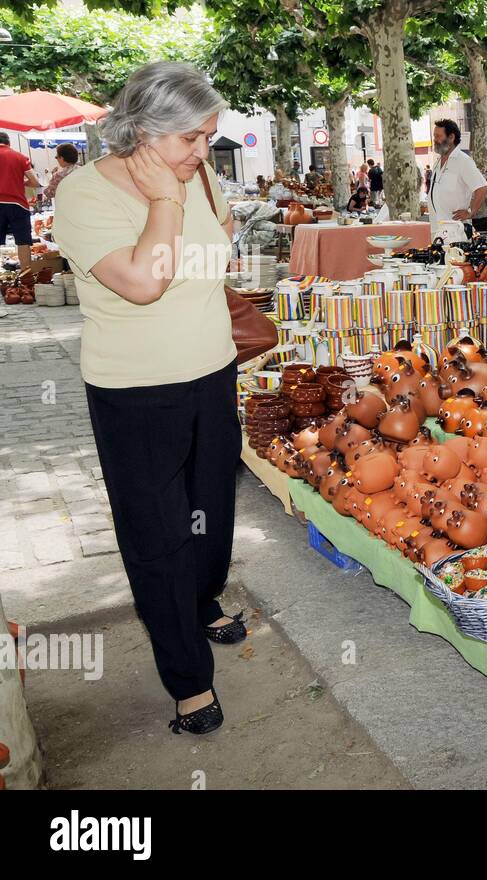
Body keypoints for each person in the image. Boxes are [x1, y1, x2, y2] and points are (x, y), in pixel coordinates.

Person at [52, 62, 245, 736]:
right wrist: (165, 202)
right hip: (136, 390)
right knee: (158, 535)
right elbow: (142, 283)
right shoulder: (83, 195)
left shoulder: (200, 173)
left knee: (211, 512)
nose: (202, 153)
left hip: (213, 371)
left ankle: (199, 600)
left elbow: (215, 252)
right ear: (140, 130)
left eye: (208, 138)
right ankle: (188, 681)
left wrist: (188, 189)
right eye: (189, 139)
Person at [428, 118, 487, 243]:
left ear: (451, 137)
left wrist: (471, 212)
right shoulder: (437, 162)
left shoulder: (463, 161)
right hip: (437, 229)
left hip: (456, 231)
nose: (435, 140)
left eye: (438, 136)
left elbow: (482, 187)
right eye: (434, 136)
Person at [0, 133, 41, 271]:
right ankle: (26, 279)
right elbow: (35, 182)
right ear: (9, 143)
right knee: (23, 242)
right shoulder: (20, 157)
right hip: (18, 204)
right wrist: (20, 182)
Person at [42, 142, 81, 208]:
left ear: (62, 158)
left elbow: (48, 193)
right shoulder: (83, 171)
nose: (56, 159)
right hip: (83, 206)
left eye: (57, 157)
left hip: (67, 208)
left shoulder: (59, 176)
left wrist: (51, 177)